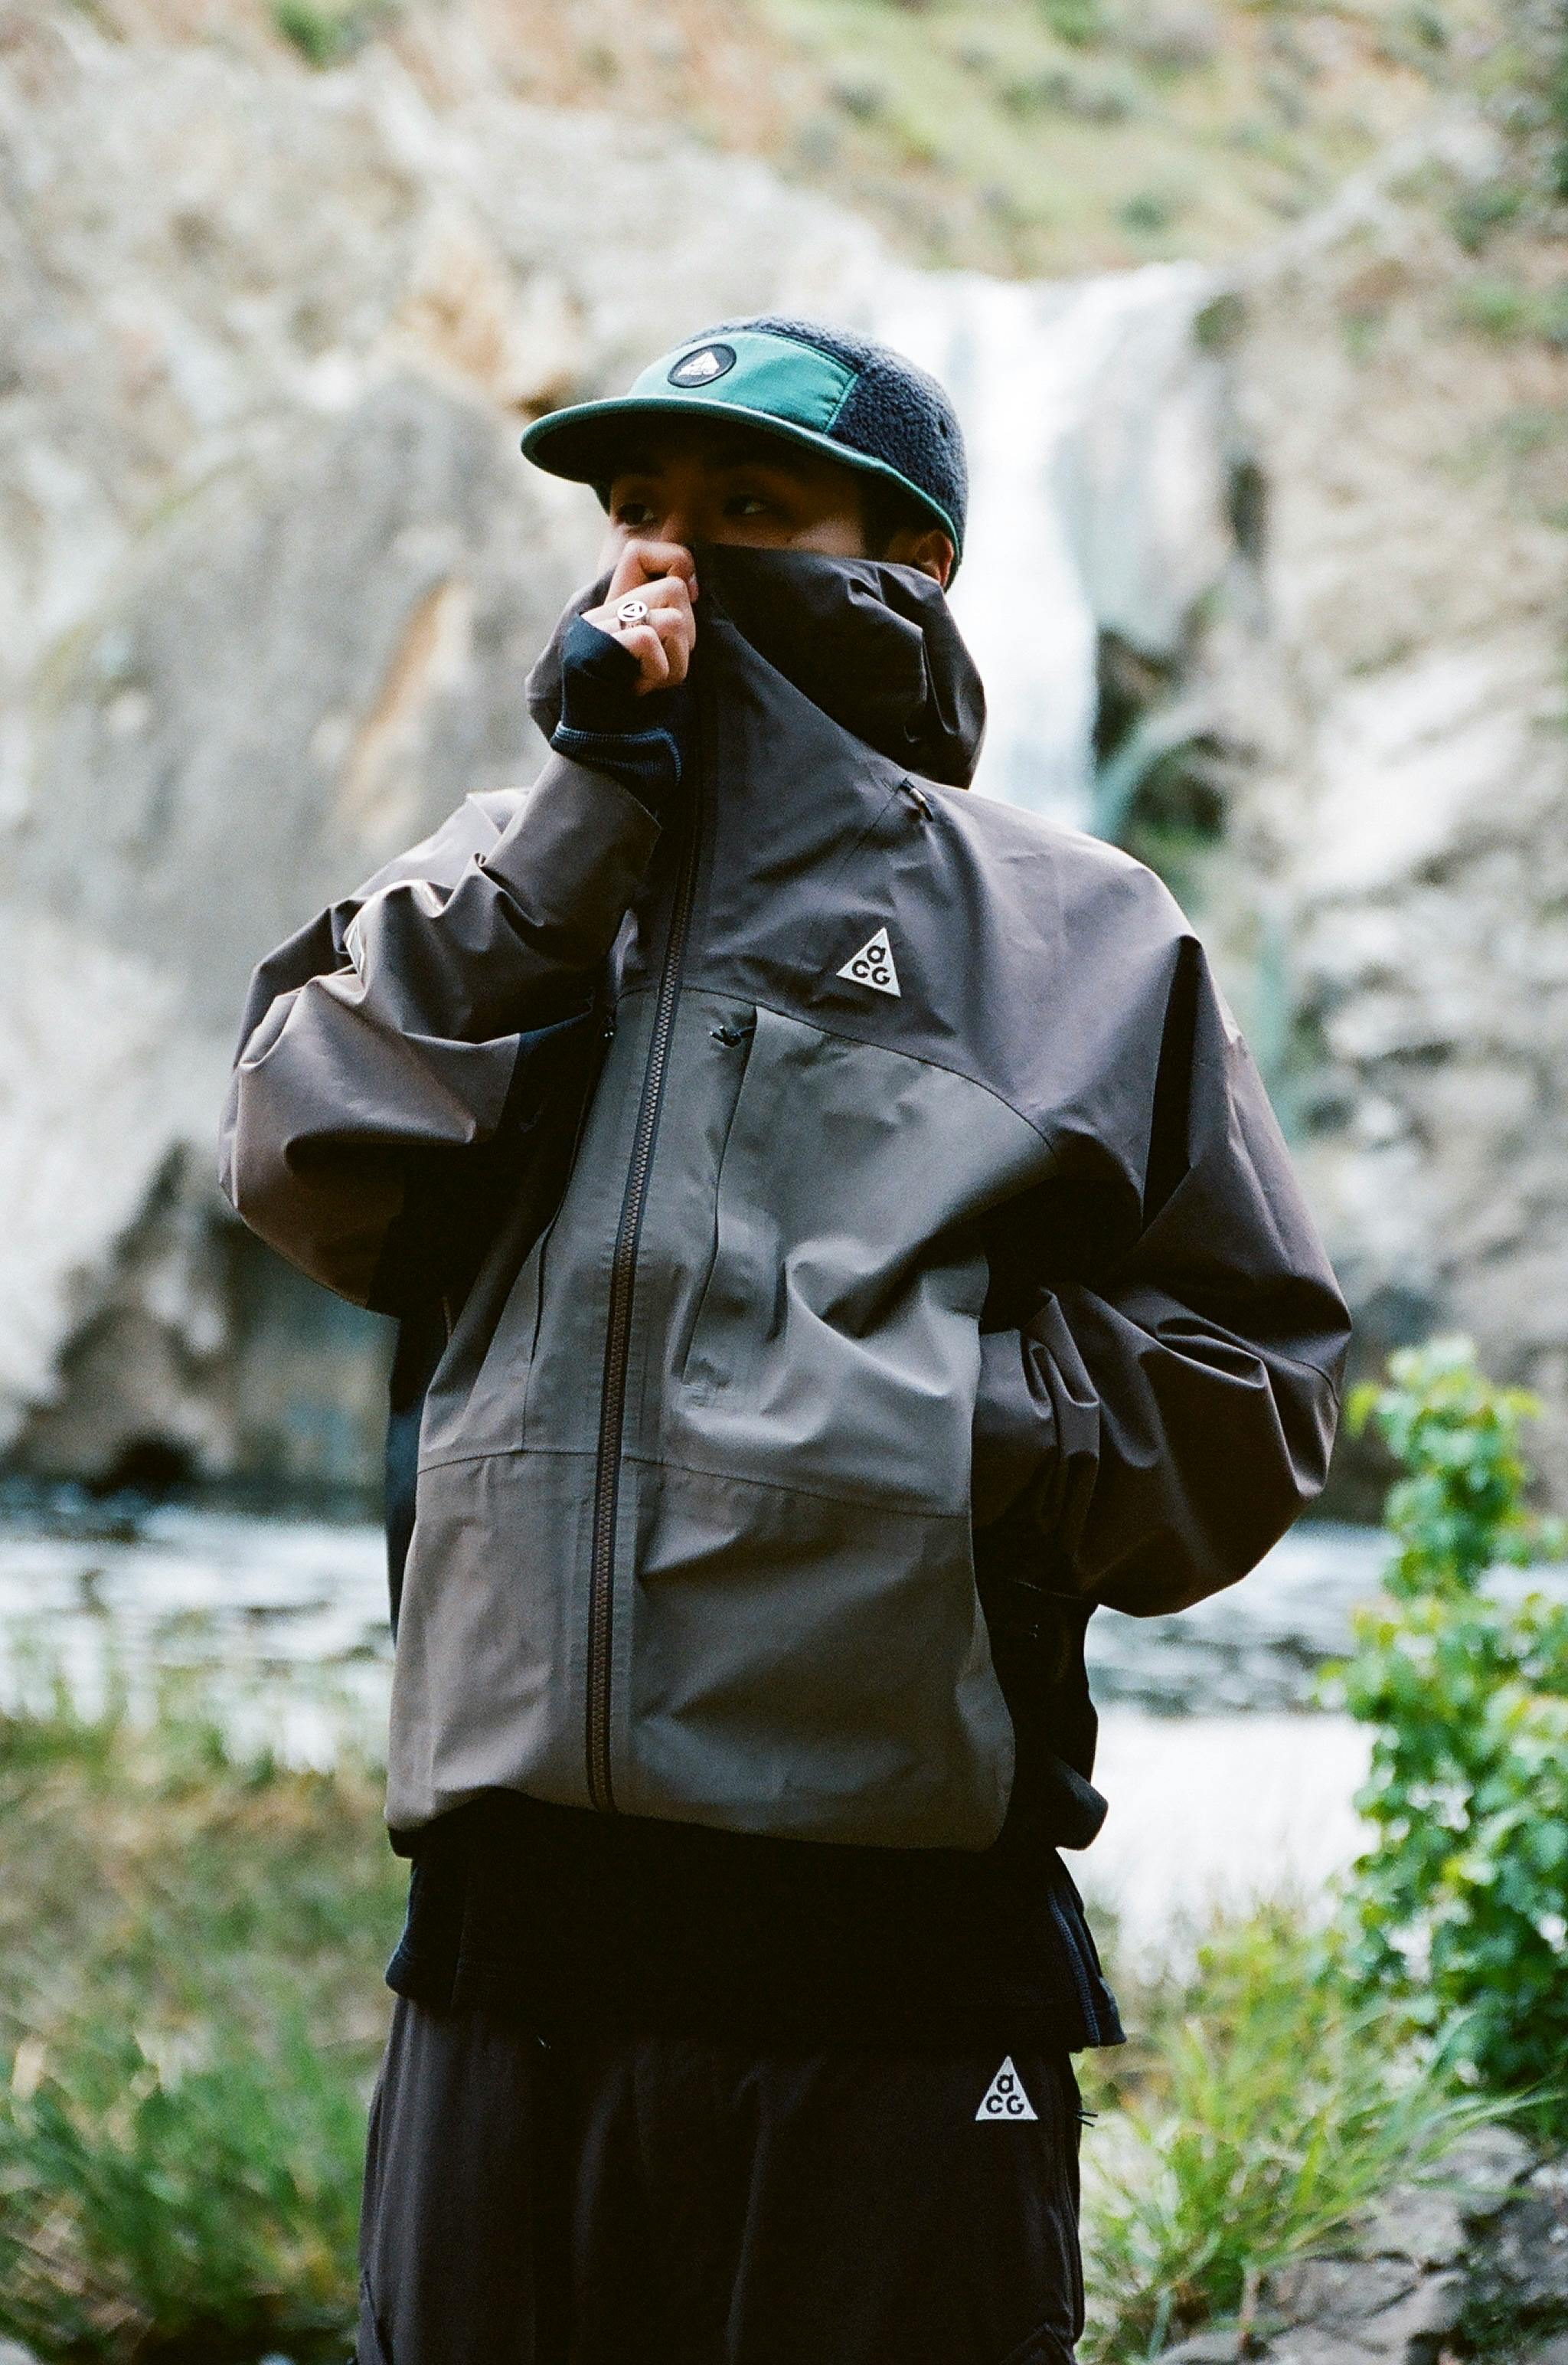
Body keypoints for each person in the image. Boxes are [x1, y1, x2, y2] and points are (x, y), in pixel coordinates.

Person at [221, 316, 1351, 2365]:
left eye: (750, 511)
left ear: (909, 567)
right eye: (639, 512)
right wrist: (576, 832)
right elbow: (303, 1153)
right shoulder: (506, 882)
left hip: (903, 1974)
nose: (673, 563)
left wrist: (938, 1436)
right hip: (511, 1963)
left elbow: (1257, 1407)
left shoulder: (1086, 940)